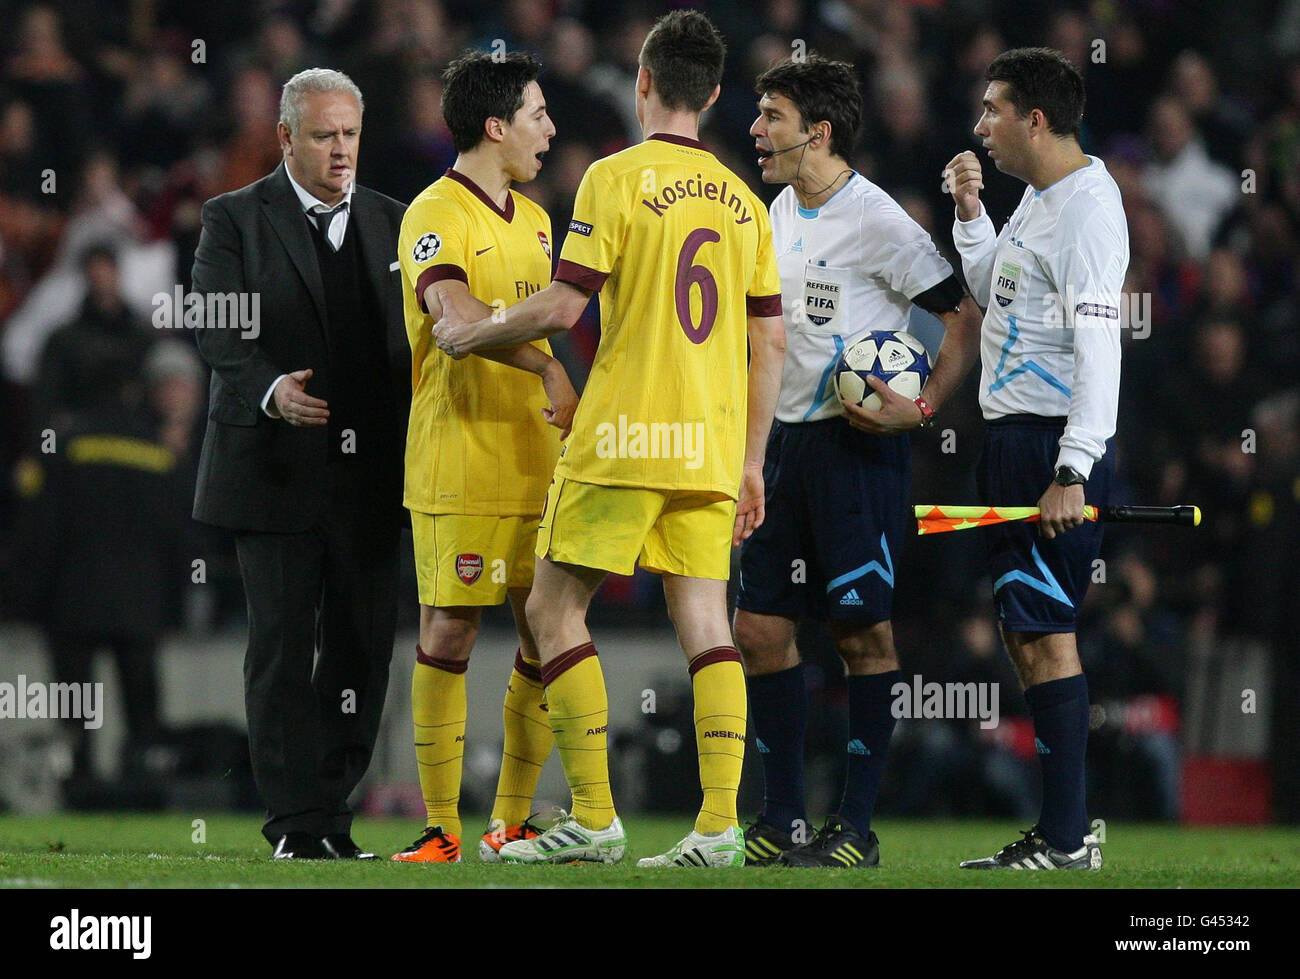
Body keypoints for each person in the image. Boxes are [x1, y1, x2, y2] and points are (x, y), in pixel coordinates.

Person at [432, 9, 786, 868]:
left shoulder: (614, 179)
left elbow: (562, 308)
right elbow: (771, 340)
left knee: (554, 607)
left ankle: (594, 816)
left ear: (643, 83)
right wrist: (750, 463)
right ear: (709, 95)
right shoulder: (746, 200)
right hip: (708, 444)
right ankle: (718, 827)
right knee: (707, 620)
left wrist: (473, 333)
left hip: (626, 434)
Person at [736, 54, 982, 868]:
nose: (756, 131)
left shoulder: (879, 219)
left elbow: (962, 318)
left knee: (860, 633)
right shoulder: (770, 212)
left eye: (770, 116)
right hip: (779, 446)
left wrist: (921, 408)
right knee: (759, 628)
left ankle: (858, 827)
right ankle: (781, 819)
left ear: (819, 130)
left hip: (855, 454)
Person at [190, 68, 410, 860]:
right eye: (324, 134)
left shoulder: (397, 222)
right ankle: (295, 822)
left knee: (360, 645)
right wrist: (270, 388)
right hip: (274, 470)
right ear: (285, 138)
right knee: (282, 649)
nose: (341, 149)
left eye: (350, 133)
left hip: (372, 479)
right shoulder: (234, 219)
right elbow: (213, 324)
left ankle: (330, 810)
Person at [943, 47, 1129, 869]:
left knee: (1048, 635)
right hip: (1013, 440)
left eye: (992, 110)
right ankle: (1063, 833)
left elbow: (1101, 344)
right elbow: (995, 290)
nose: (981, 125)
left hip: (1053, 445)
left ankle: (1064, 837)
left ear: (1036, 119)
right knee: (1025, 637)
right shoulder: (1038, 200)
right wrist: (973, 212)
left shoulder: (1088, 209)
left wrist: (1074, 467)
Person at [391, 49, 576, 865]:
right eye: (538, 114)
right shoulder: (435, 211)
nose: (551, 129)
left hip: (536, 455)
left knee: (543, 633)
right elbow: (455, 316)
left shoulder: (537, 219)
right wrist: (544, 360)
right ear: (495, 126)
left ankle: (511, 820)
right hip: (459, 453)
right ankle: (439, 827)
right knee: (451, 630)